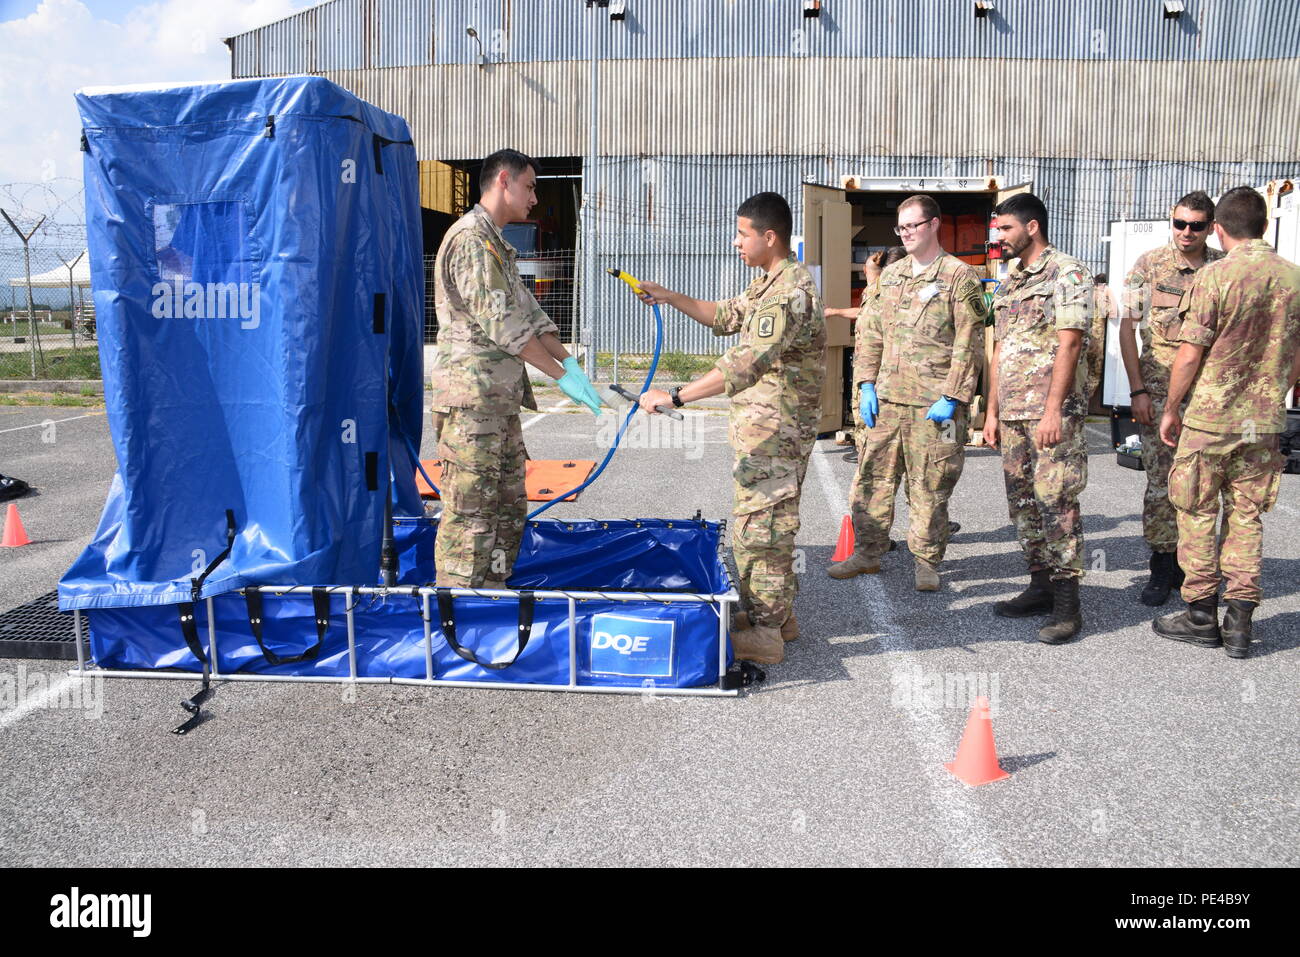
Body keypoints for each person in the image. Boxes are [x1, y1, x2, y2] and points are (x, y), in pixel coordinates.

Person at [636, 192, 825, 665]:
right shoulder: (767, 285)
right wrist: (669, 294)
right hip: (765, 433)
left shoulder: (787, 295)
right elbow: (723, 317)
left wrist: (674, 396)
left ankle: (766, 633)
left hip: (776, 436)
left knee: (759, 530)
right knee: (770, 526)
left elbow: (743, 364)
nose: (735, 242)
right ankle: (780, 617)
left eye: (742, 234)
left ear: (769, 236)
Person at [429, 149, 604, 588]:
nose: (534, 199)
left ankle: (494, 590)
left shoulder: (496, 245)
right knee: (471, 511)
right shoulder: (471, 240)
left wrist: (571, 366)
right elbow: (505, 326)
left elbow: (533, 318)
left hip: (497, 404)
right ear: (503, 180)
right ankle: (457, 609)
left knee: (508, 505)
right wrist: (560, 377)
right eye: (529, 187)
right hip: (472, 406)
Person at [1152, 186, 1300, 658]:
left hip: (1211, 420)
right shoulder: (1294, 279)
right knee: (1246, 515)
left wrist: (1172, 408)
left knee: (1196, 512)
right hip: (1263, 422)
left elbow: (1190, 352)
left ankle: (1200, 616)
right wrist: (1273, 391)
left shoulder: (1215, 277)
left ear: (1218, 229)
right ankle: (1239, 623)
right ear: (1264, 227)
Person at [827, 195, 985, 591]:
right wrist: (865, 384)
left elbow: (970, 342)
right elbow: (872, 334)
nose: (906, 233)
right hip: (887, 402)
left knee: (930, 486)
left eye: (913, 225)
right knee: (871, 481)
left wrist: (953, 396)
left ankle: (927, 562)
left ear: (934, 225)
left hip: (934, 406)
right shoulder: (892, 276)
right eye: (901, 227)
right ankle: (867, 553)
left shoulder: (959, 277)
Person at [983, 192, 1094, 643]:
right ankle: (1040, 585)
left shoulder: (1068, 272)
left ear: (1031, 227)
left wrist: (1053, 411)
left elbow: (1070, 343)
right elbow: (1000, 347)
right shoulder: (1010, 280)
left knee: (1056, 503)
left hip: (1051, 414)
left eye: (1005, 229)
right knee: (1024, 503)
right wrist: (989, 412)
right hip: (1011, 414)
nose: (999, 238)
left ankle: (1068, 606)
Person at [1119, 192, 1225, 606]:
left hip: (1210, 398)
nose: (1186, 232)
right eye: (1180, 223)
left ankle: (1194, 567)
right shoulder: (1150, 265)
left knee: (1203, 485)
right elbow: (1126, 328)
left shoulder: (1223, 267)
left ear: (1211, 226)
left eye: (1196, 225)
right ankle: (1163, 566)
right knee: (1161, 485)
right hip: (1159, 394)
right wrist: (1137, 390)